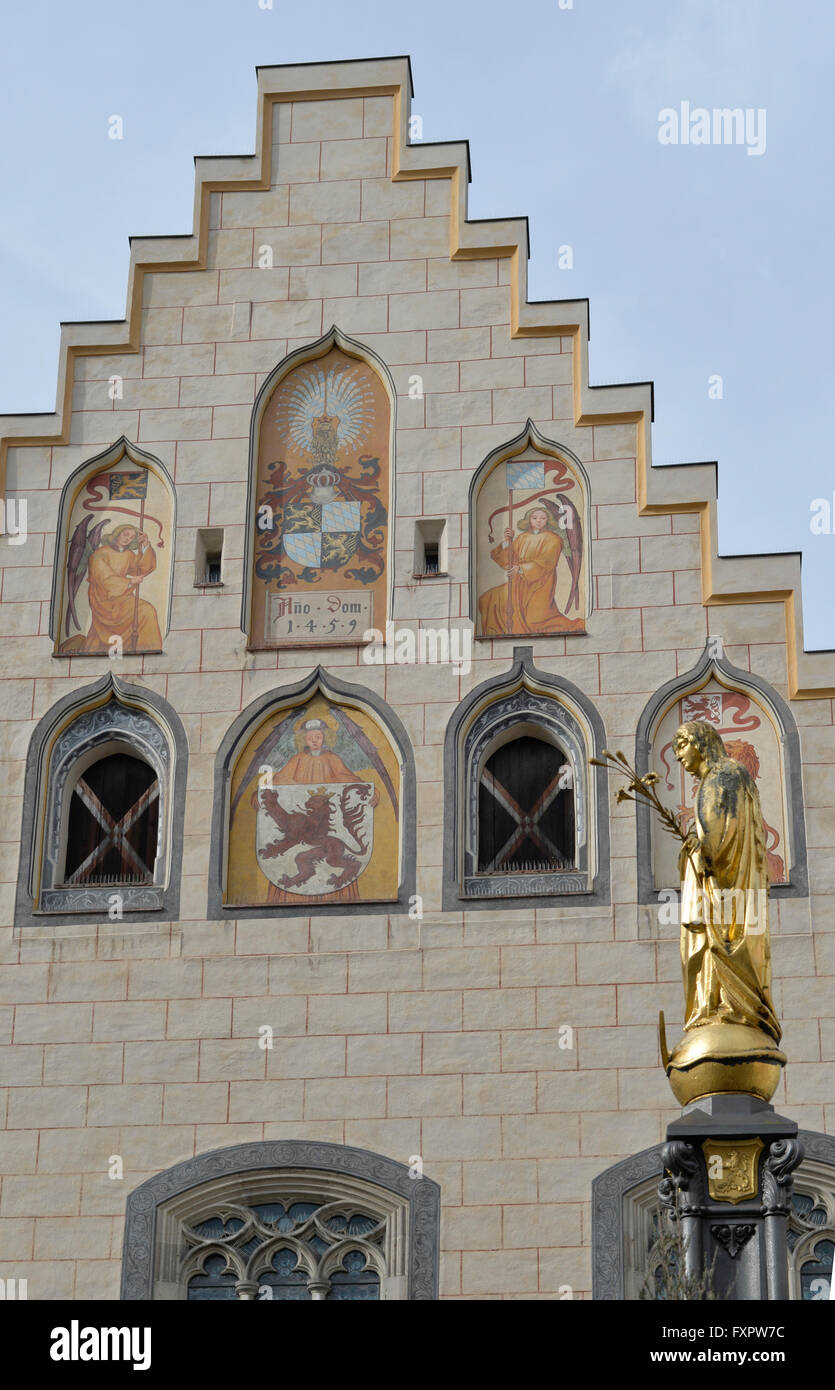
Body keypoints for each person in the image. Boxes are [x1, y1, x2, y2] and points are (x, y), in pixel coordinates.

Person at [672, 720, 781, 1044]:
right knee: (703, 953)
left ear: (700, 742)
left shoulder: (726, 775)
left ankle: (730, 1007)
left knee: (718, 942)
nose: (679, 758)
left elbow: (729, 835)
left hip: (727, 893)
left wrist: (704, 853)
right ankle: (712, 1005)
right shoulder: (715, 779)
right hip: (716, 890)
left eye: (682, 747)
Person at [478, 505, 585, 636]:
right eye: (534, 518)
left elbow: (547, 563)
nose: (538, 520)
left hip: (540, 584)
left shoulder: (554, 539)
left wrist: (521, 569)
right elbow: (509, 561)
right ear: (529, 520)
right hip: (519, 584)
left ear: (547, 520)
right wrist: (508, 542)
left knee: (534, 620)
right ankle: (495, 634)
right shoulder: (522, 538)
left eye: (542, 518)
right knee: (488, 597)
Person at [84, 524, 161, 653]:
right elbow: (105, 579)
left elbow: (142, 569)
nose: (127, 539)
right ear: (117, 534)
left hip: (123, 595)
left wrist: (146, 545)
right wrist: (129, 581)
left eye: (131, 537)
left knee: (147, 611)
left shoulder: (128, 554)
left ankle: (147, 649)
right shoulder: (99, 555)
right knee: (145, 610)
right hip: (104, 599)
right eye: (125, 534)